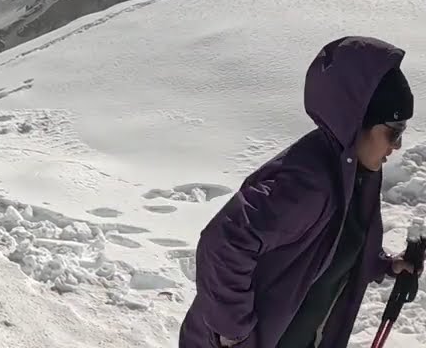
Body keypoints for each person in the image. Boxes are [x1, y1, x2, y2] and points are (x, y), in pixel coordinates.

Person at [179, 35, 420, 348]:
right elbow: (222, 243)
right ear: (359, 121)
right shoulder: (309, 183)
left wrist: (386, 265)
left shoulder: (356, 175)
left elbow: (328, 250)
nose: (397, 145)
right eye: (393, 131)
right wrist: (232, 331)